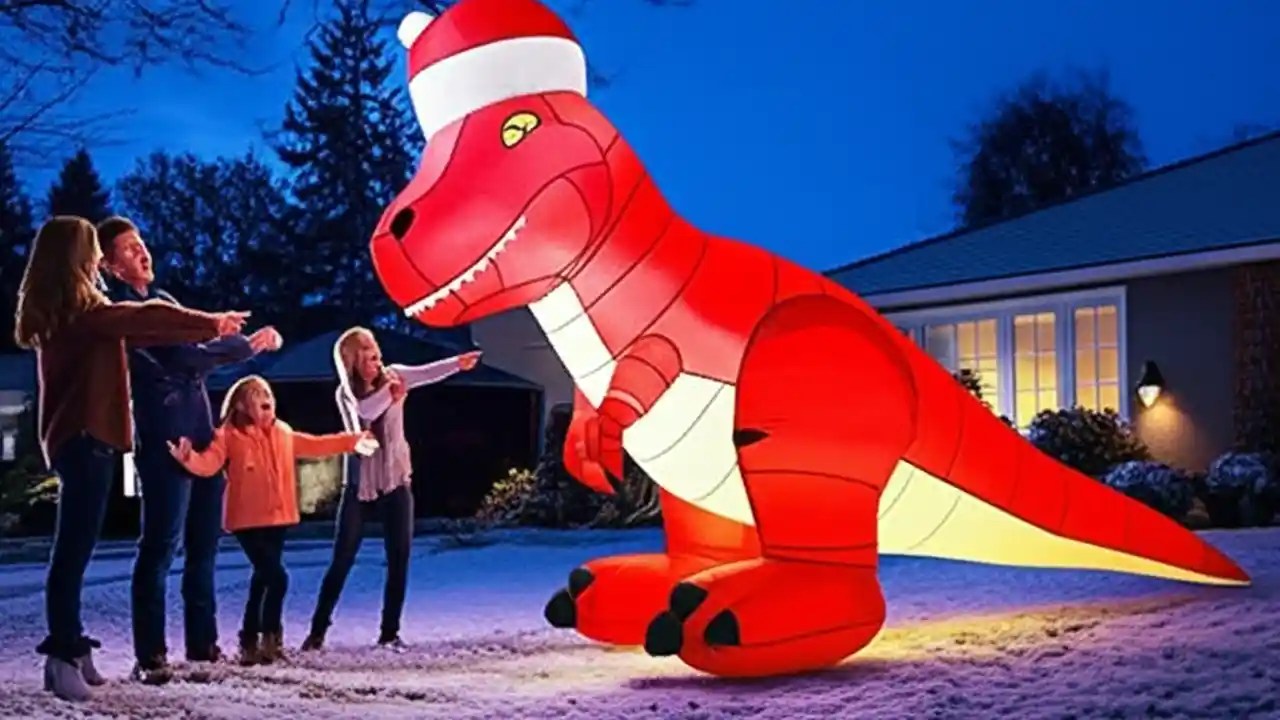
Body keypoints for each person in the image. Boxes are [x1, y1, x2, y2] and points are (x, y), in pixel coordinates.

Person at [13, 216, 247, 702]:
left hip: (85, 440)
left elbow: (143, 324)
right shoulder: (82, 315)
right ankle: (62, 657)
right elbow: (142, 319)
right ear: (73, 257)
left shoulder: (80, 313)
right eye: (92, 250)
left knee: (76, 551)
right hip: (81, 438)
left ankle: (74, 649)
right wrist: (211, 322)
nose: (99, 258)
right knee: (72, 552)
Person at [95, 216, 285, 683]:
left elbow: (199, 347)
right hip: (164, 444)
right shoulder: (122, 314)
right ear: (111, 265)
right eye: (130, 248)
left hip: (203, 439)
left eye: (143, 243)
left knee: (204, 550)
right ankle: (151, 655)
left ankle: (203, 646)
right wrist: (243, 349)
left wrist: (240, 342)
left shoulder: (164, 303)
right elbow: (186, 355)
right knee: (159, 548)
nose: (143, 252)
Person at [168, 375, 378, 666]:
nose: (266, 398)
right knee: (277, 578)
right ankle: (270, 638)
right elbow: (209, 463)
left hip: (278, 518)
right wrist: (188, 459)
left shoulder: (282, 432)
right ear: (241, 404)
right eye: (257, 394)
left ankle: (250, 641)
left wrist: (354, 441)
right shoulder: (228, 435)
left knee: (262, 580)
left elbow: (316, 444)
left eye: (268, 392)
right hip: (247, 521)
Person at [302, 327, 480, 652]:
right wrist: (391, 396)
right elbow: (365, 415)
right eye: (369, 358)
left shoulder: (394, 375)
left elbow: (426, 373)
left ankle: (389, 632)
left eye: (377, 355)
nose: (377, 362)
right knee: (342, 559)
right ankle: (317, 632)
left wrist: (458, 363)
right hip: (360, 481)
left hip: (396, 477)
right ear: (354, 363)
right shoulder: (346, 393)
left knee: (399, 557)